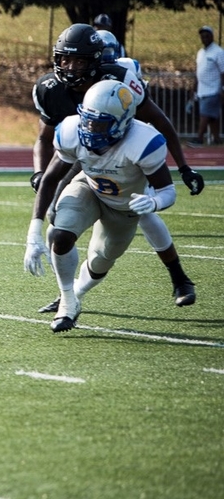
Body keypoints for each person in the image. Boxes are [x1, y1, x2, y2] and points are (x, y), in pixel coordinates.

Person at [31, 23, 202, 313]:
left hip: (123, 154)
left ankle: (179, 277)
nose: (70, 68)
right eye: (65, 59)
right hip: (81, 153)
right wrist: (39, 172)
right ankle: (67, 293)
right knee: (56, 218)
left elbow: (160, 122)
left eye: (79, 61)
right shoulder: (50, 89)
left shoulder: (121, 79)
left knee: (143, 213)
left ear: (97, 61)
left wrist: (183, 167)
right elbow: (44, 138)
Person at [24, 80, 177, 333]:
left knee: (99, 262)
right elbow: (50, 179)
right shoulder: (72, 130)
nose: (90, 128)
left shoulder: (143, 142)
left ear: (122, 123)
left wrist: (154, 201)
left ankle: (78, 290)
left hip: (124, 205)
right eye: (88, 119)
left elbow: (168, 191)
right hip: (89, 188)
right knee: (61, 235)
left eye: (100, 123)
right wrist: (33, 232)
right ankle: (67, 301)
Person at [192, 25, 223, 147]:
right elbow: (198, 71)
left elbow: (223, 71)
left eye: (206, 35)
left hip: (213, 89)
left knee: (205, 114)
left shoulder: (218, 52)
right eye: (202, 36)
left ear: (212, 36)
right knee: (212, 116)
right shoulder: (201, 53)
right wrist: (193, 88)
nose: (204, 38)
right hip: (202, 89)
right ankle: (216, 139)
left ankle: (199, 138)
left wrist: (222, 88)